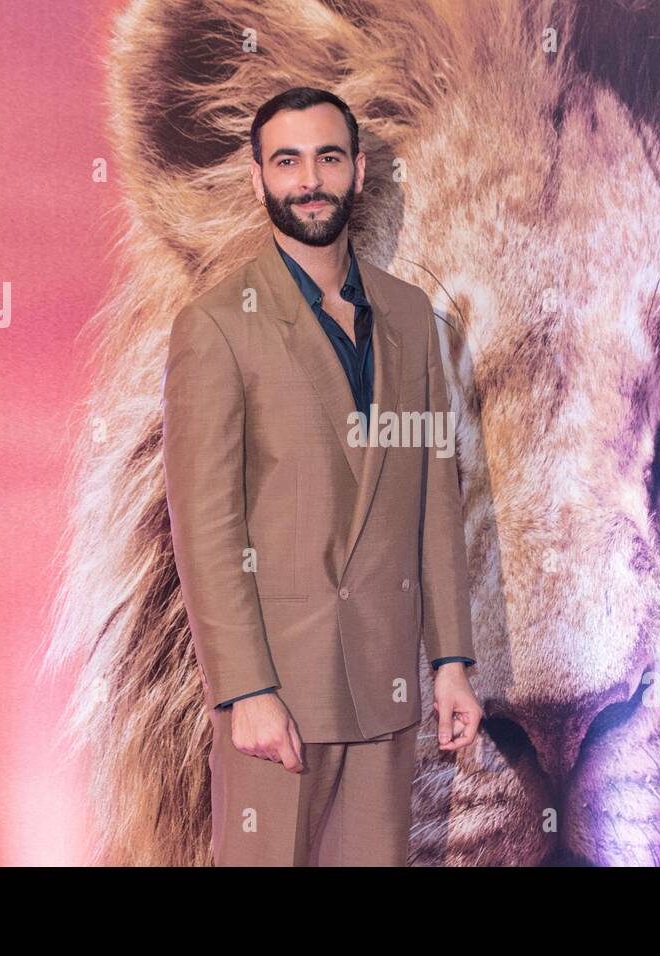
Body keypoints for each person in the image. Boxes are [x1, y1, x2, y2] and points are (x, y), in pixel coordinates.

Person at [162, 87, 481, 866]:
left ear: (359, 171)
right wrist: (243, 690)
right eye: (288, 160)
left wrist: (451, 663)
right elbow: (206, 531)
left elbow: (434, 502)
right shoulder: (216, 324)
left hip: (386, 689)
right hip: (280, 694)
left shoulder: (412, 316)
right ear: (258, 178)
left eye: (328, 157)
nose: (310, 179)